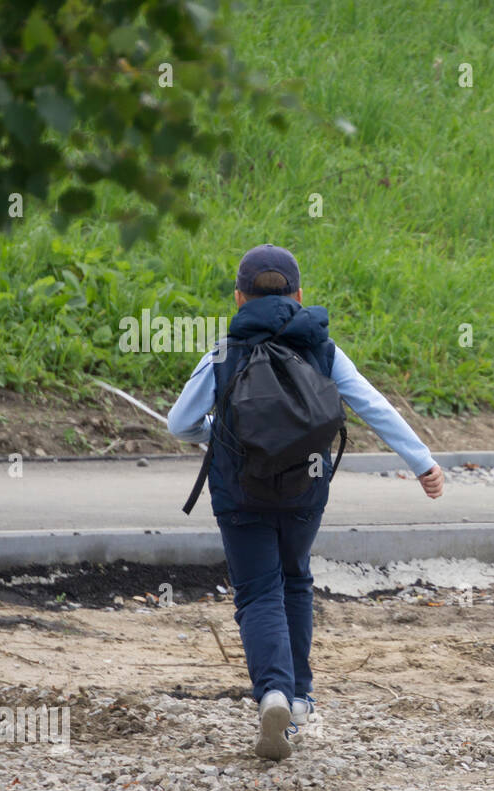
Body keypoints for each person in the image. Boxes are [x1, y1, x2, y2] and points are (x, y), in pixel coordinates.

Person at [167, 244, 443, 760]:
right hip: (304, 489)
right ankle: (299, 700)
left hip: (240, 492)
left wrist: (217, 432)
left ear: (238, 296)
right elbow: (373, 405)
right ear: (298, 295)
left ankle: (272, 691)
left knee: (257, 592)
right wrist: (422, 462)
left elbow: (179, 422)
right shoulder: (321, 348)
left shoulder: (224, 350)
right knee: (295, 580)